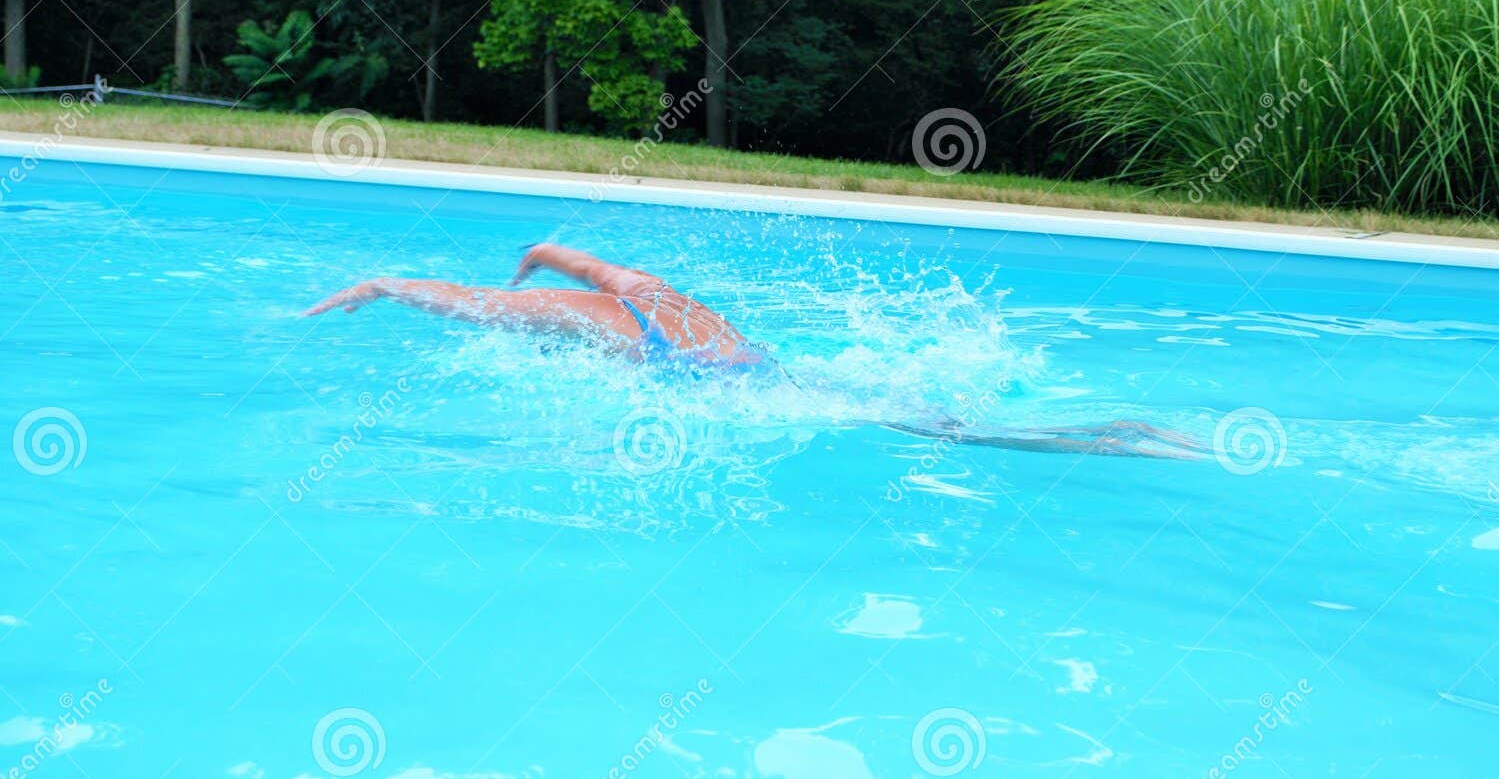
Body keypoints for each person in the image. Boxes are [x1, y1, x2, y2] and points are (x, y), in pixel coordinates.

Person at [306, 242, 1202, 458]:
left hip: (750, 398)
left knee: (948, 433)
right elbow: (580, 259)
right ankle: (1125, 425)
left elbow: (471, 305)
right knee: (922, 410)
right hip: (773, 369)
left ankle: (1100, 438)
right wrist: (541, 244)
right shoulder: (643, 292)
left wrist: (384, 285)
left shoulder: (571, 317)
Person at [304, 241, 779, 375]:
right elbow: (589, 265)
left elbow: (480, 304)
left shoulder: (588, 311)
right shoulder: (654, 290)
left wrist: (383, 286)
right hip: (757, 364)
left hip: (699, 375)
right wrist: (540, 254)